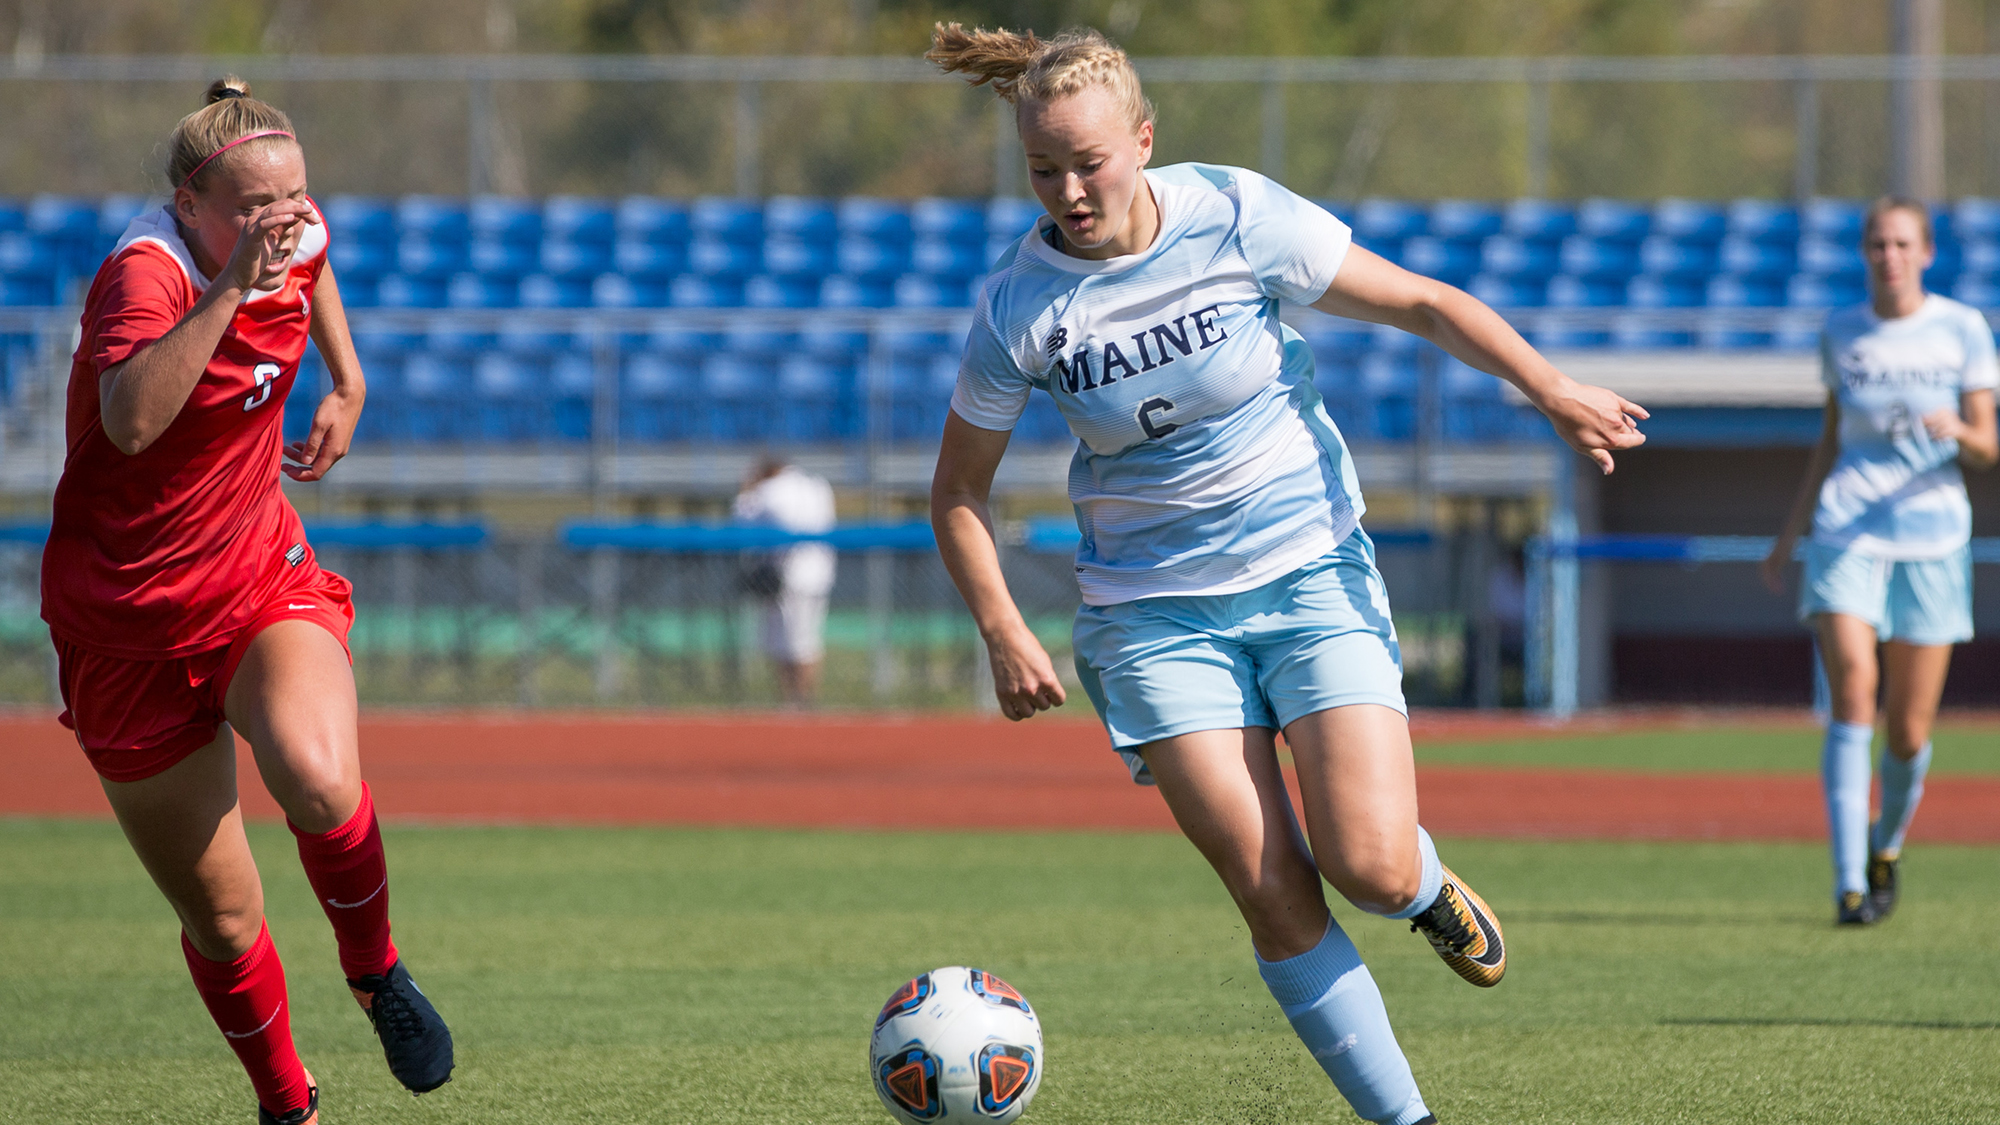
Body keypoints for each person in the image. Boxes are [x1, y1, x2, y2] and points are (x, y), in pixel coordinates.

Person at [925, 24, 1645, 1125]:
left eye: (1089, 162)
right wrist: (1003, 628)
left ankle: (1419, 885)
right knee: (1270, 891)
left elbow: (1420, 302)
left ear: (1144, 141)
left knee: (1363, 863)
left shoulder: (1233, 213)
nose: (1068, 191)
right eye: (1042, 169)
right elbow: (957, 495)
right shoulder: (1018, 308)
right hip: (1153, 617)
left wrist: (1547, 388)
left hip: (1309, 572)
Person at [39, 78, 453, 1125]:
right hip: (122, 629)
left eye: (298, 199)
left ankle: (375, 975)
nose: (285, 221)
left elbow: (308, 269)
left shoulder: (289, 234)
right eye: (255, 208)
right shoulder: (148, 275)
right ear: (189, 205)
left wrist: (347, 380)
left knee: (317, 778)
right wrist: (227, 286)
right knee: (224, 921)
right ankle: (287, 1105)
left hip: (253, 578)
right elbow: (129, 423)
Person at [1762, 197, 1997, 926]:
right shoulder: (1841, 331)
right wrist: (1790, 532)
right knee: (1854, 690)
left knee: (1908, 731)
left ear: (1925, 253)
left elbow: (1989, 447)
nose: (1887, 256)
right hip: (1846, 532)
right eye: (1876, 244)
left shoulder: (1962, 327)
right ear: (1864, 253)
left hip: (1931, 539)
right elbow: (1831, 440)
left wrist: (1958, 426)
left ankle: (1884, 846)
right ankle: (1847, 884)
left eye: (1901, 243)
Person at [734, 455, 838, 706]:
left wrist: (746, 491)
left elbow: (740, 520)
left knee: (787, 641)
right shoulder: (818, 486)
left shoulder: (770, 490)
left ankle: (795, 699)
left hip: (786, 576)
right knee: (806, 639)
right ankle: (802, 698)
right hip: (819, 574)